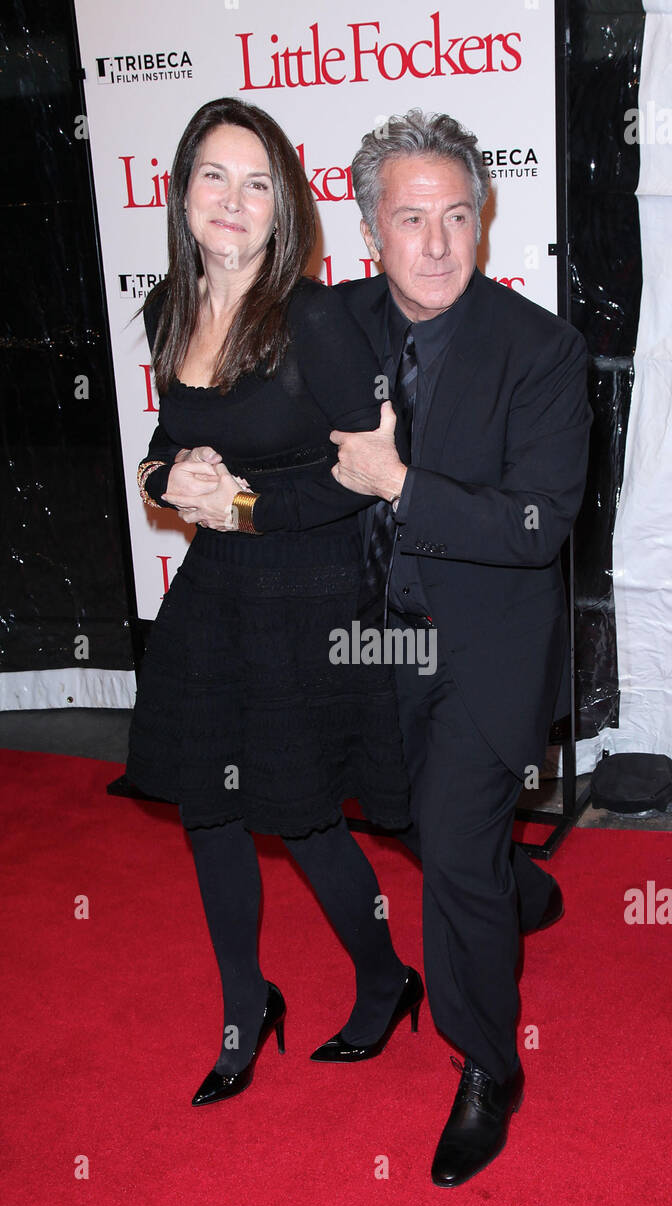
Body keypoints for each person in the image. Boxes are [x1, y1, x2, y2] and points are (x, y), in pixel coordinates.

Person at [125, 97, 423, 1108]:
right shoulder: (172, 307)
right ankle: (244, 1004)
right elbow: (166, 452)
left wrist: (239, 501)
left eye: (258, 182)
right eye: (215, 175)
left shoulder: (314, 319)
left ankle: (384, 974)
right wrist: (171, 480)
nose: (234, 199)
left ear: (283, 205)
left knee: (300, 816)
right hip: (216, 597)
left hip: (309, 591)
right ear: (183, 191)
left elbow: (366, 476)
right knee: (208, 807)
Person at [321, 110, 592, 1186]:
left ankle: (487, 1067)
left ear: (482, 220)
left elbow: (538, 524)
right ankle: (515, 890)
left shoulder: (539, 349)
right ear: (369, 231)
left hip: (481, 650)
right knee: (409, 824)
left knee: (453, 858)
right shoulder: (334, 328)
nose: (435, 243)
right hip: (369, 646)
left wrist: (402, 486)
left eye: (456, 217)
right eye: (410, 219)